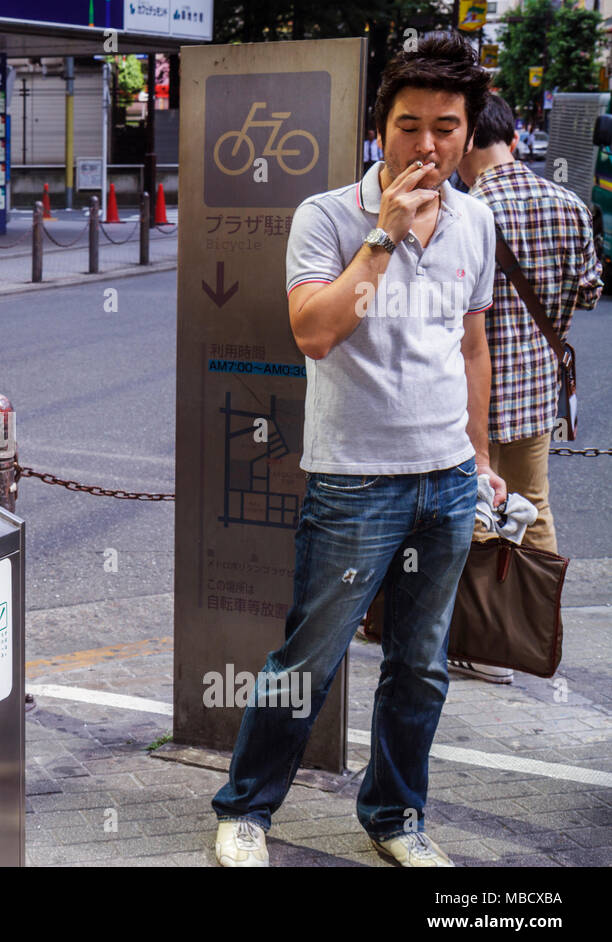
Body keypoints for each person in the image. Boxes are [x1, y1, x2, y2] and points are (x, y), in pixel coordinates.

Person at [211, 32, 505, 868]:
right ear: (380, 127)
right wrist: (382, 235)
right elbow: (315, 331)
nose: (426, 144)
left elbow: (471, 347)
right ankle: (244, 810)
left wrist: (479, 460)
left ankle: (395, 817)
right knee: (308, 658)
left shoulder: (476, 222)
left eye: (445, 127)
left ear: (467, 129)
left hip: (446, 481)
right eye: (408, 125)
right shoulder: (328, 216)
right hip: (354, 482)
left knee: (421, 668)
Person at [452, 94, 603, 683]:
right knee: (533, 507)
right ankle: (530, 629)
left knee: (464, 510)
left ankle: (480, 641)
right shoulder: (567, 202)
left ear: (467, 141)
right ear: (512, 138)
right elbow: (590, 290)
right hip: (537, 388)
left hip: (468, 394)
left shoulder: (464, 212)